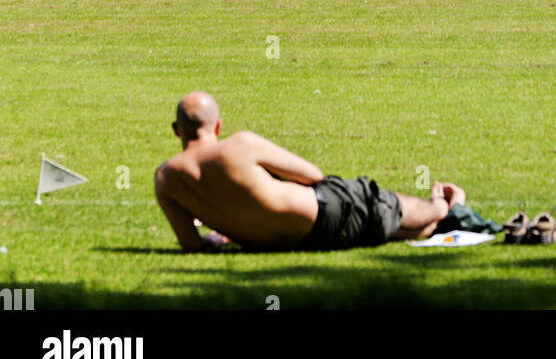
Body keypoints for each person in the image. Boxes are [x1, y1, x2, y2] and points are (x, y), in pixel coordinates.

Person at [154, 92, 468, 253]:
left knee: (397, 228)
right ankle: (442, 205)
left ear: (175, 130)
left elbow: (192, 245)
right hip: (325, 213)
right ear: (218, 126)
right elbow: (312, 174)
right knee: (385, 205)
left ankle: (436, 224)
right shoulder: (240, 144)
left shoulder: (165, 179)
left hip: (292, 242)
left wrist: (222, 234)